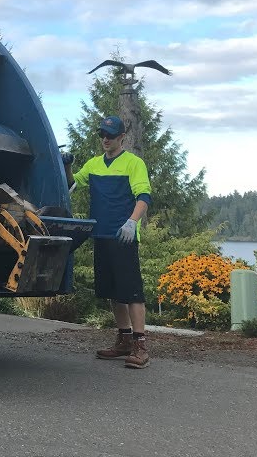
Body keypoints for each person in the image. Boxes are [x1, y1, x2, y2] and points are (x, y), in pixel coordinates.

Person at [70, 115, 153, 369]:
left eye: (111, 135)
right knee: (113, 292)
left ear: (122, 138)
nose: (106, 139)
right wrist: (66, 165)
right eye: (102, 135)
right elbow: (72, 183)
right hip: (101, 235)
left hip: (124, 237)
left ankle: (140, 346)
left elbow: (144, 196)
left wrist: (132, 222)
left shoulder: (133, 163)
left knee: (132, 292)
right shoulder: (94, 165)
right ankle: (124, 339)